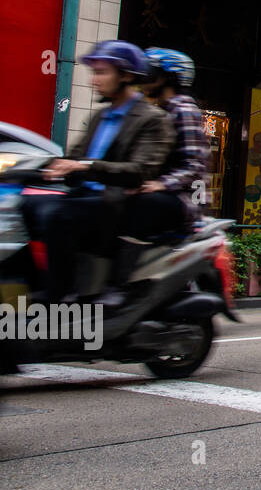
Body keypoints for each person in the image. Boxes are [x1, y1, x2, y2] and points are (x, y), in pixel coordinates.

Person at [21, 41, 174, 302]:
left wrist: (85, 166)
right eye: (95, 73)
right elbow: (74, 158)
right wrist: (47, 167)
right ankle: (34, 285)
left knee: (59, 216)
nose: (95, 81)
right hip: (83, 197)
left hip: (115, 204)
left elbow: (140, 170)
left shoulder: (152, 119)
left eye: (102, 73)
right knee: (27, 203)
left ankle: (61, 294)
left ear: (125, 76)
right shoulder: (100, 116)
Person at [97, 48, 209, 306]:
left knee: (131, 208)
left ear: (169, 78)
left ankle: (120, 285)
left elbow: (195, 165)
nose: (144, 78)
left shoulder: (182, 109)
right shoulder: (154, 110)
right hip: (157, 191)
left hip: (181, 200)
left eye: (152, 73)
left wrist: (160, 184)